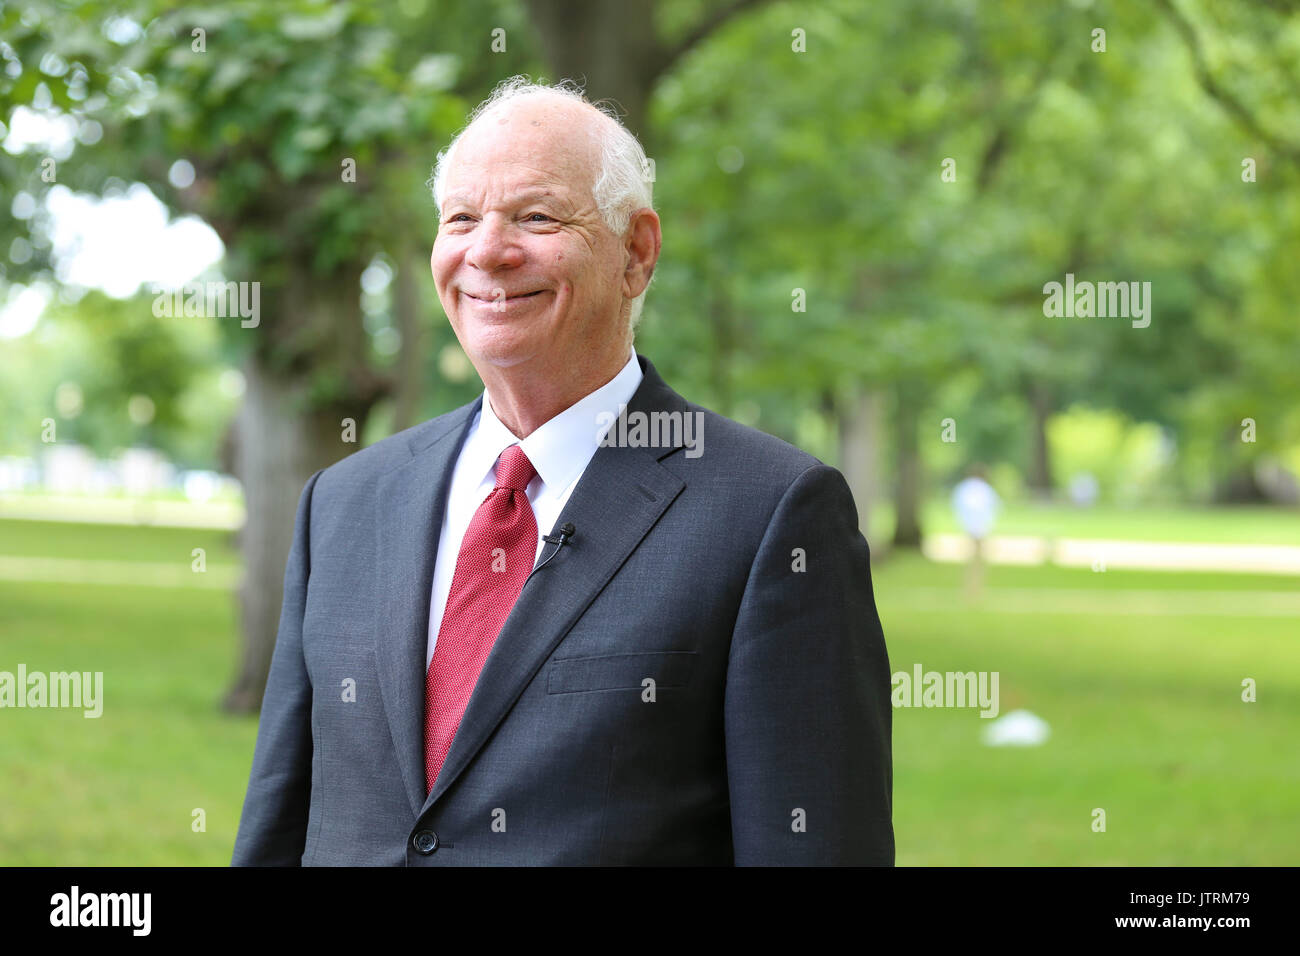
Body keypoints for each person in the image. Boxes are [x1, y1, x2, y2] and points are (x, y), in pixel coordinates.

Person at [231, 77, 893, 866]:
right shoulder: (341, 503)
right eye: (461, 219)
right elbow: (280, 824)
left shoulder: (771, 514)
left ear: (636, 253)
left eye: (536, 217)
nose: (487, 251)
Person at [951, 463, 1000, 600]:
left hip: (969, 527)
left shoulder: (965, 488)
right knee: (977, 560)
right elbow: (993, 508)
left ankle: (971, 588)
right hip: (980, 528)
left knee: (971, 559)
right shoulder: (985, 489)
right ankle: (975, 588)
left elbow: (958, 506)